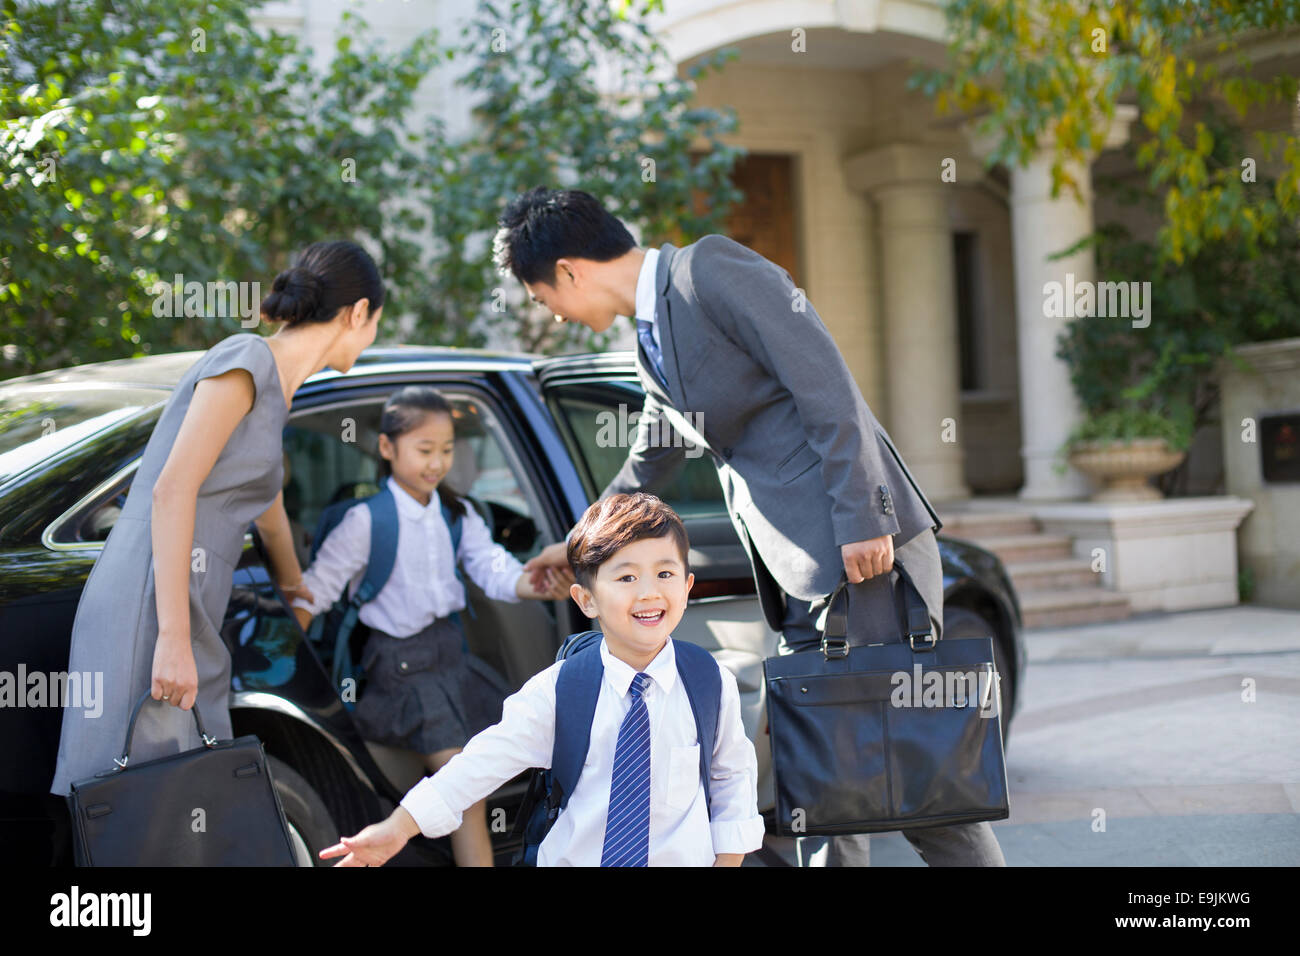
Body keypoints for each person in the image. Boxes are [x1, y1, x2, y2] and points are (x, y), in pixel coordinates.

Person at [508, 187, 1006, 867]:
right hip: (798, 572)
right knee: (828, 781)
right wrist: (573, 547)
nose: (554, 314)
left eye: (543, 299)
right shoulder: (650, 343)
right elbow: (651, 457)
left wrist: (865, 516)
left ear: (569, 269)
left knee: (917, 779)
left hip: (858, 557)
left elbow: (824, 379)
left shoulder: (710, 270)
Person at [49, 240, 384, 799]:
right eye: (376, 323)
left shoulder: (278, 389)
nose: (373, 337)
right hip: (152, 602)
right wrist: (173, 639)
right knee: (134, 798)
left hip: (190, 605)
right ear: (356, 314)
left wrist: (298, 588)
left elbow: (267, 503)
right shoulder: (247, 357)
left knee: (185, 792)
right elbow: (172, 488)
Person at [319, 492, 764, 867]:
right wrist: (399, 827)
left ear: (686, 588)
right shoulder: (561, 690)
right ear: (586, 599)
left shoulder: (709, 682)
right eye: (626, 576)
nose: (649, 591)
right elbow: (478, 766)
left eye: (664, 573)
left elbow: (731, 780)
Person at [289, 385, 569, 866]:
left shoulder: (456, 513)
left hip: (451, 659)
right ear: (386, 447)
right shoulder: (365, 520)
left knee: (485, 777)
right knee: (465, 791)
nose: (437, 463)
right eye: (424, 450)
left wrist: (535, 586)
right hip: (401, 669)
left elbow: (493, 569)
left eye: (446, 450)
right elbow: (321, 587)